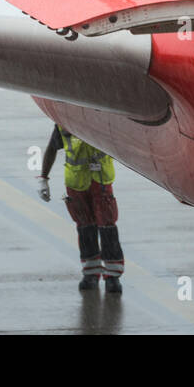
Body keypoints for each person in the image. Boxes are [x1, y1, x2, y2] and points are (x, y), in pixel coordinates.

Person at [38, 124, 124, 293]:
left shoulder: (101, 118)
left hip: (100, 181)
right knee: (85, 228)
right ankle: (91, 273)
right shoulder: (63, 122)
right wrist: (43, 178)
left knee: (107, 227)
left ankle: (112, 276)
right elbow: (52, 148)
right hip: (76, 183)